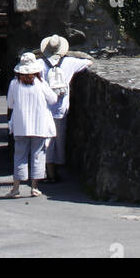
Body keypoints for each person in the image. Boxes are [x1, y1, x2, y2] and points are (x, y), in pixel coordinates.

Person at [39, 35, 92, 182]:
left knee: (47, 141)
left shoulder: (40, 64)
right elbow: (88, 62)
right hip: (61, 108)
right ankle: (59, 167)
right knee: (60, 139)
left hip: (45, 108)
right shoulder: (69, 62)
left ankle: (50, 172)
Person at [5, 52, 57, 197]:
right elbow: (53, 99)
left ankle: (16, 188)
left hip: (21, 126)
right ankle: (34, 187)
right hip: (39, 126)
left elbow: (10, 104)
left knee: (19, 156)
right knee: (38, 156)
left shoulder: (14, 84)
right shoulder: (41, 83)